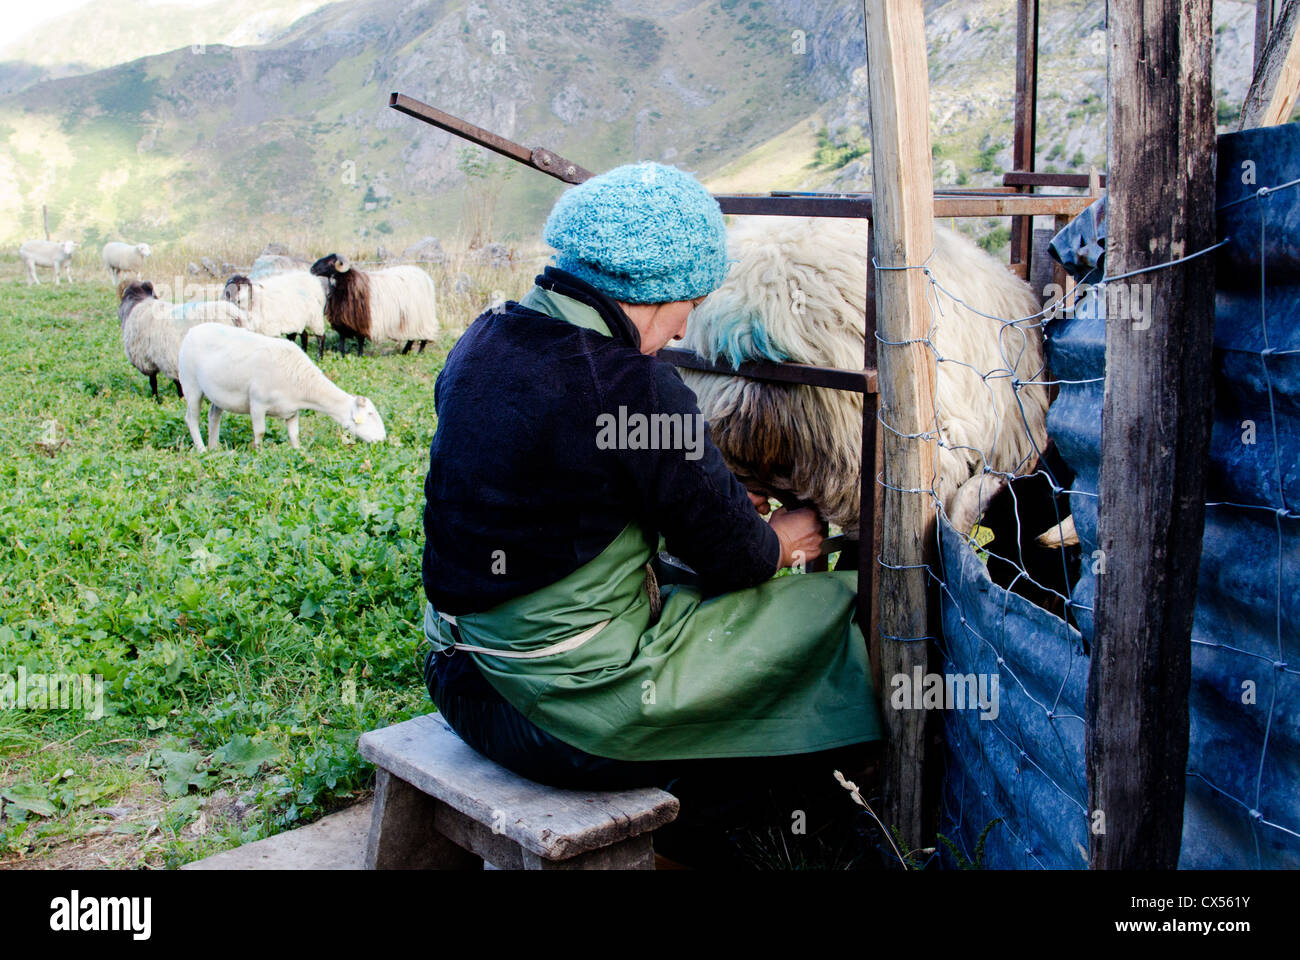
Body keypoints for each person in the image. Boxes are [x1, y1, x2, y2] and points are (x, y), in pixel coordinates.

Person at [421, 162, 882, 866]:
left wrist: (696, 494)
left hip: (460, 678)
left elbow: (556, 483)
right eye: (687, 303)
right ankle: (747, 795)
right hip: (560, 721)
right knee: (834, 607)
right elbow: (740, 562)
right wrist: (783, 538)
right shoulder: (637, 386)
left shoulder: (484, 338)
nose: (682, 329)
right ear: (651, 289)